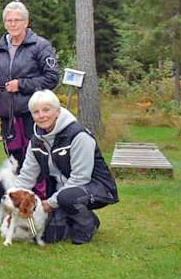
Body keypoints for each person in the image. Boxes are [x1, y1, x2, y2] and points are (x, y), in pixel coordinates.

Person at [13, 90, 118, 244]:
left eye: (46, 110)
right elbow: (26, 176)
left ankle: (87, 224)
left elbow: (81, 177)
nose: (41, 116)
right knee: (49, 237)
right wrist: (14, 200)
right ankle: (71, 218)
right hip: (62, 192)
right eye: (36, 112)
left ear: (58, 111)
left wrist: (50, 203)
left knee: (66, 197)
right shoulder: (36, 141)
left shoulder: (78, 135)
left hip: (96, 187)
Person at [0, 1, 59, 168]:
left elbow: (52, 78)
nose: (13, 24)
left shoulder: (40, 46)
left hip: (32, 114)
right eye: (9, 20)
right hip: (7, 115)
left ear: (26, 22)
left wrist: (21, 85)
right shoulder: (0, 47)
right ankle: (20, 193)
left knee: (36, 161)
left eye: (17, 20)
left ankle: (41, 194)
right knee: (14, 161)